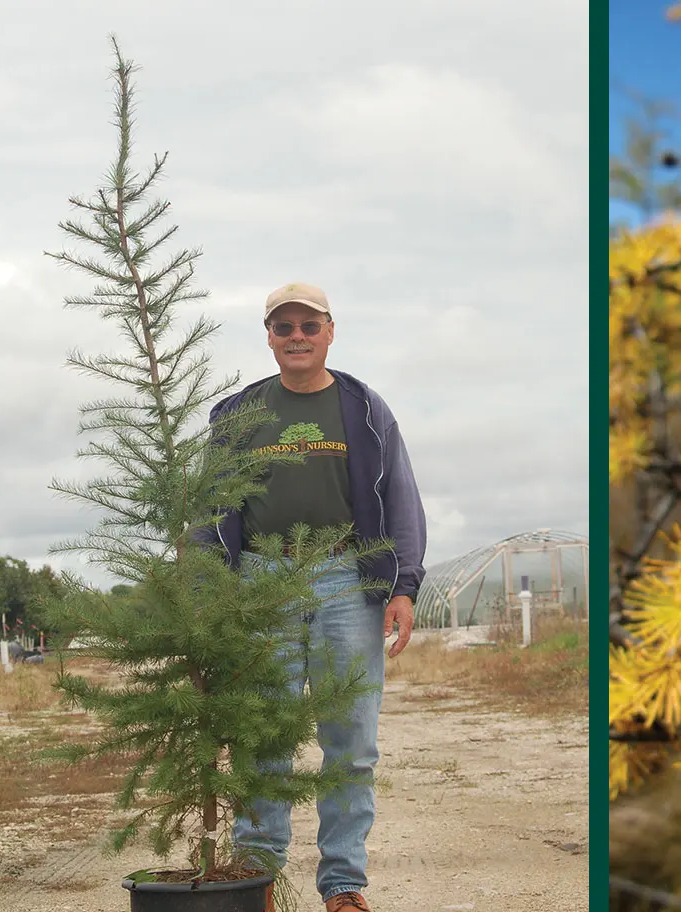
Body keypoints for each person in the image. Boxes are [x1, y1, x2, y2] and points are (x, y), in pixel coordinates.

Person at [195, 282, 426, 912]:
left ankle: (344, 885)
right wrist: (205, 590)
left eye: (309, 325)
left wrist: (402, 585)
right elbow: (207, 508)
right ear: (268, 337)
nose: (297, 337)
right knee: (262, 733)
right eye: (283, 326)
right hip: (260, 582)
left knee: (351, 738)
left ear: (330, 332)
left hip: (347, 580)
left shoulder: (364, 409)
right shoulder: (238, 414)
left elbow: (400, 498)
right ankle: (257, 877)